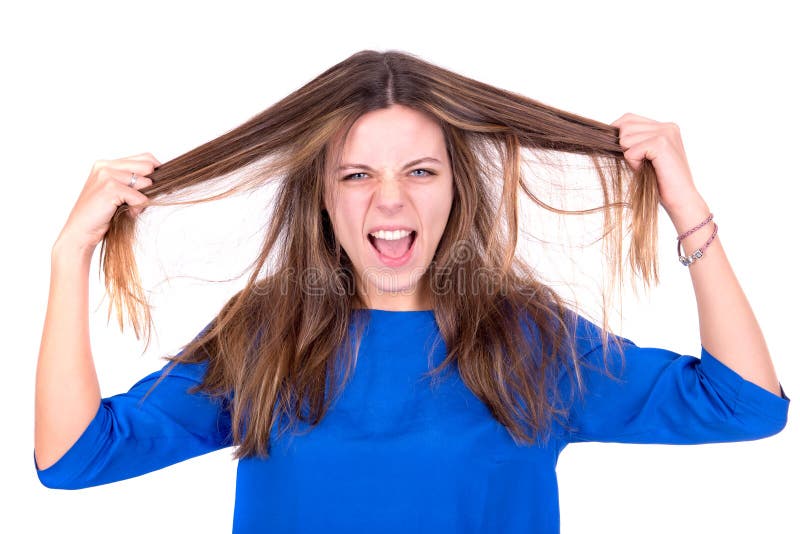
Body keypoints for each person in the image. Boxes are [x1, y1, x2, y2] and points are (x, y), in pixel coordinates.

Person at [33, 49, 789, 533]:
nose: (389, 202)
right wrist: (71, 254)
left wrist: (685, 207)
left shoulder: (530, 340)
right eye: (357, 175)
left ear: (456, 190)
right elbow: (73, 458)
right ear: (322, 197)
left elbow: (744, 404)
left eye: (420, 171)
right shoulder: (266, 335)